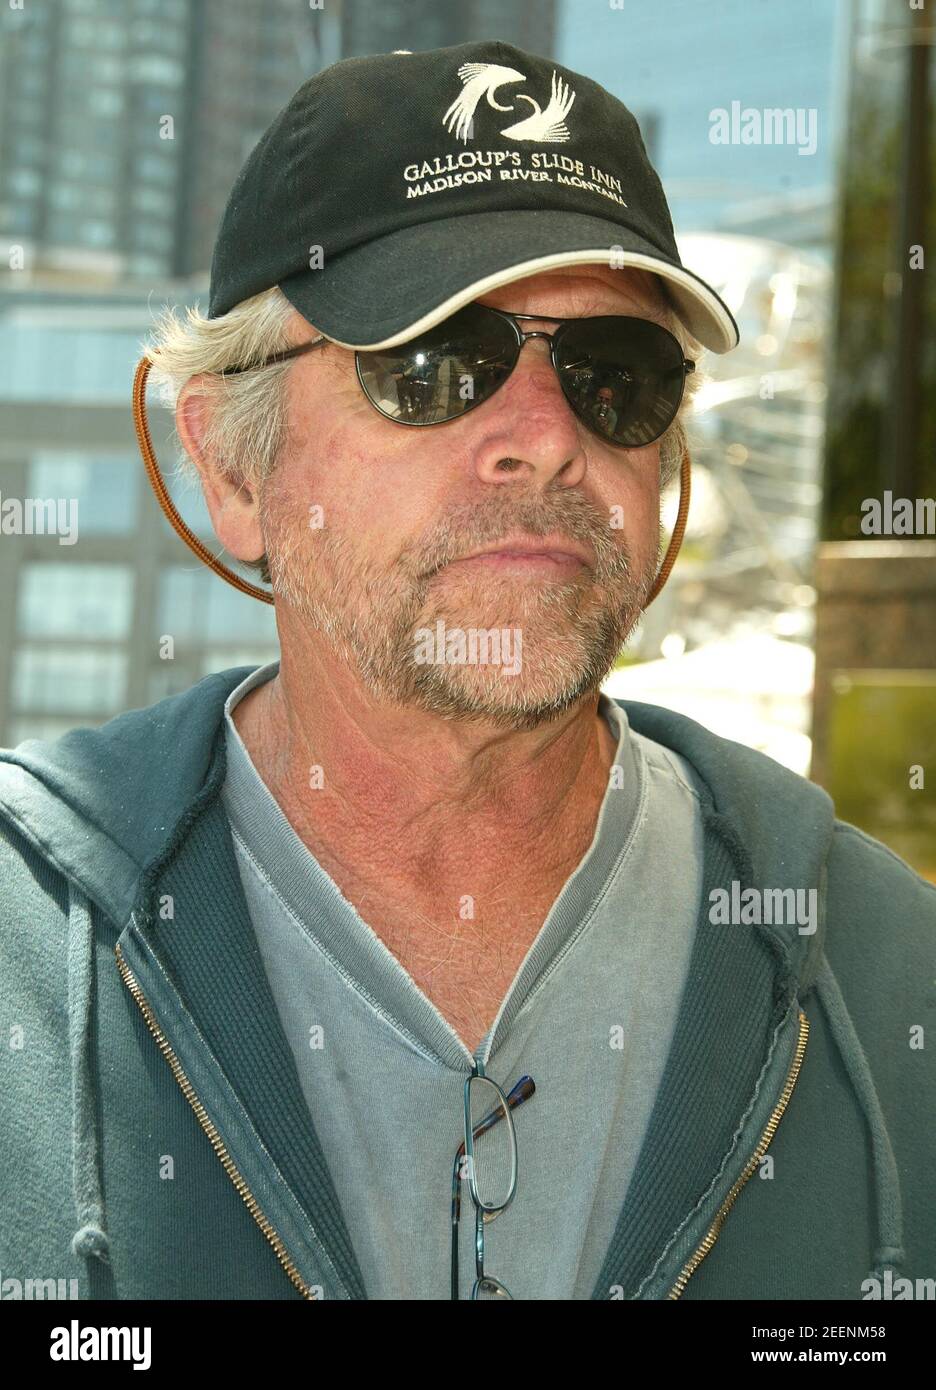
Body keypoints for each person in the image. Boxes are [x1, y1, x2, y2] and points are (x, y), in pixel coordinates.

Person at [1, 40, 933, 1303]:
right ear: (230, 466)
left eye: (618, 377)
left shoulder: (885, 973)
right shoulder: (27, 953)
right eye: (432, 364)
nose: (546, 440)